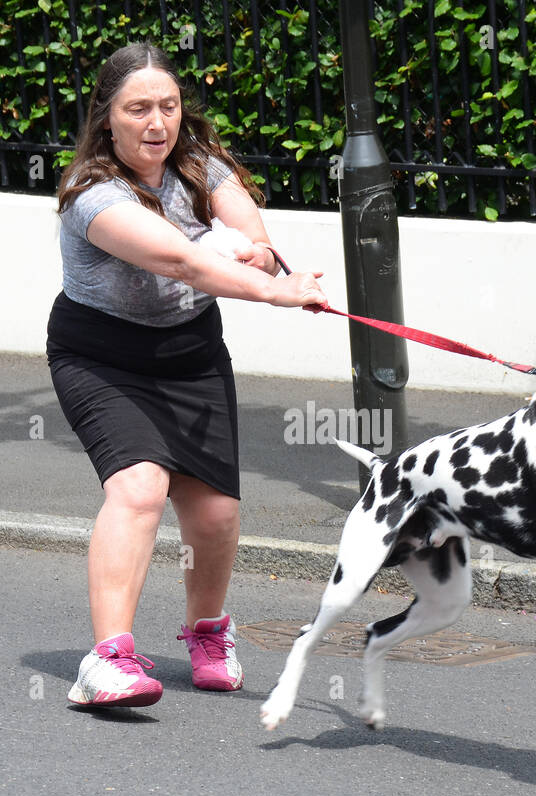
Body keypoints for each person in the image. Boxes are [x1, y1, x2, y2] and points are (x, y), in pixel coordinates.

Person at [47, 42, 327, 708]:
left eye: (168, 106)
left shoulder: (199, 166)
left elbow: (251, 234)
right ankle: (107, 659)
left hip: (190, 355)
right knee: (140, 488)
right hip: (102, 357)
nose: (157, 123)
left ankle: (206, 633)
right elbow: (181, 264)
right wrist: (276, 292)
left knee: (216, 515)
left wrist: (257, 254)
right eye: (138, 108)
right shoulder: (93, 195)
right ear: (106, 118)